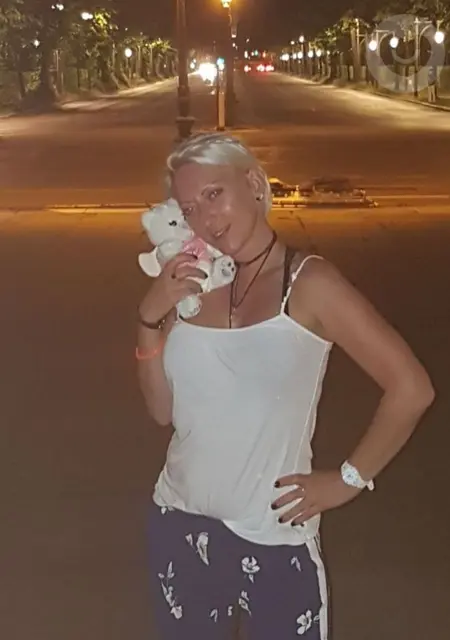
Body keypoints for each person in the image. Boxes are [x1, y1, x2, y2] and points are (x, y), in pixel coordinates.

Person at [137, 132, 435, 640]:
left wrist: (347, 480)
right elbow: (163, 410)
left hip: (273, 541)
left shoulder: (309, 284)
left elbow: (411, 388)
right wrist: (149, 318)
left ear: (254, 184)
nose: (205, 218)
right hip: (180, 525)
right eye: (188, 208)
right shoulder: (190, 284)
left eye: (214, 194)